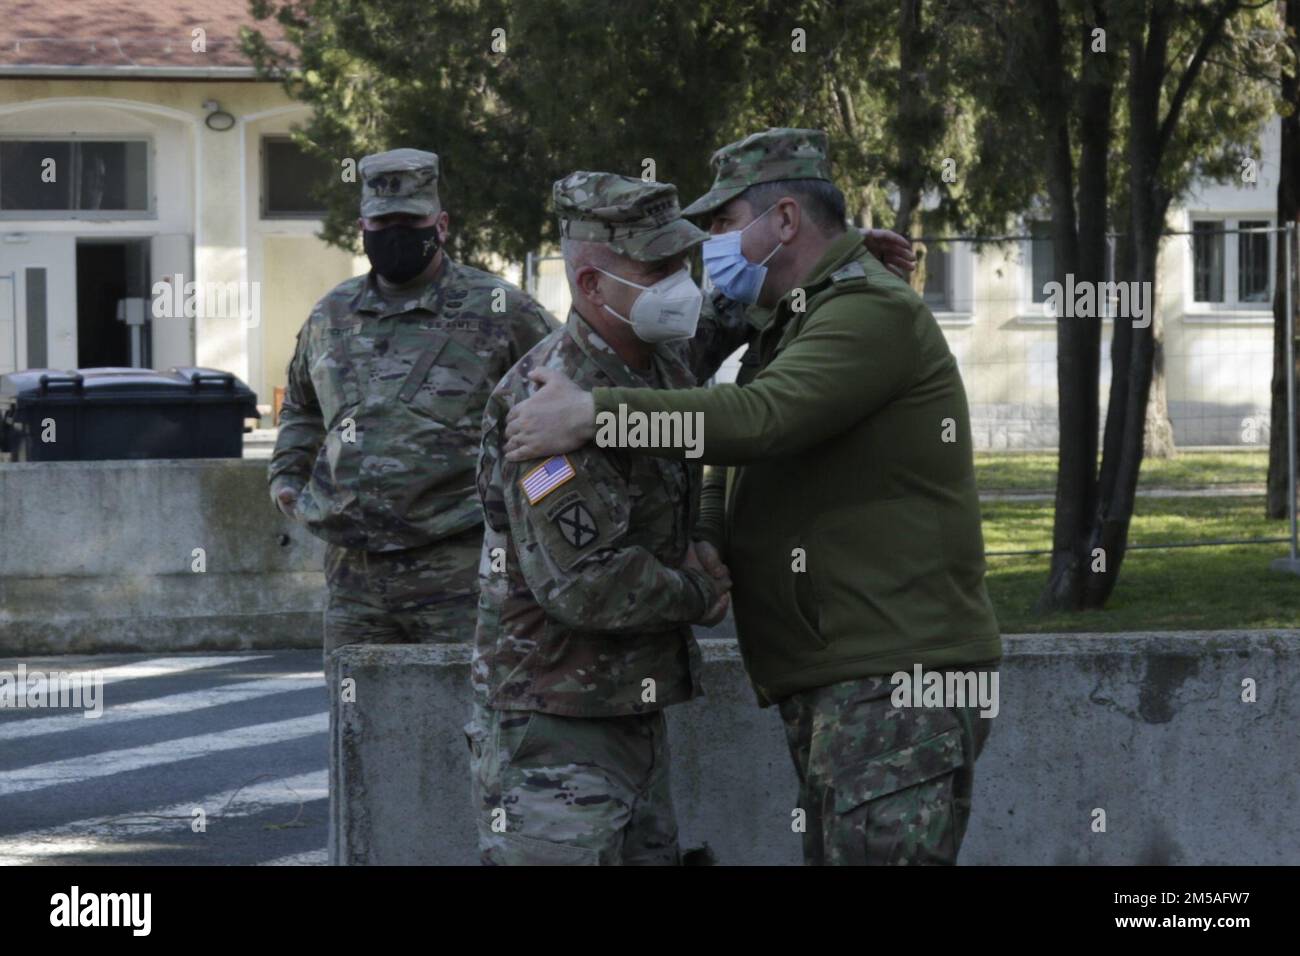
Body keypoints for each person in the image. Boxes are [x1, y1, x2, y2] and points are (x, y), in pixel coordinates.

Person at [501, 128, 1002, 866]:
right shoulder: (795, 314)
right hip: (819, 683)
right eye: (671, 258)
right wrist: (705, 543)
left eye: (721, 226)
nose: (704, 256)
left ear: (787, 221)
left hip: (893, 679)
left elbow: (760, 421)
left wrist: (595, 414)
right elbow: (730, 458)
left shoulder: (863, 312)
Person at [466, 171, 730, 865]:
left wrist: (846, 258)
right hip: (555, 735)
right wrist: (702, 592)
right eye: (659, 268)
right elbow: (589, 582)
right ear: (590, 286)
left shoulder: (661, 361)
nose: (682, 282)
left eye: (682, 262)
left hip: (629, 712)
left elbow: (740, 319)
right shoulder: (544, 402)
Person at [268, 147, 556, 655]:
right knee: (357, 716)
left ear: (441, 225)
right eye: (382, 222)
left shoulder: (499, 309)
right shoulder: (331, 314)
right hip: (352, 573)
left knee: (464, 715)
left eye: (410, 220)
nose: (395, 232)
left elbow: (560, 404)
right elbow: (302, 407)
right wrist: (287, 476)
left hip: (459, 567)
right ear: (362, 225)